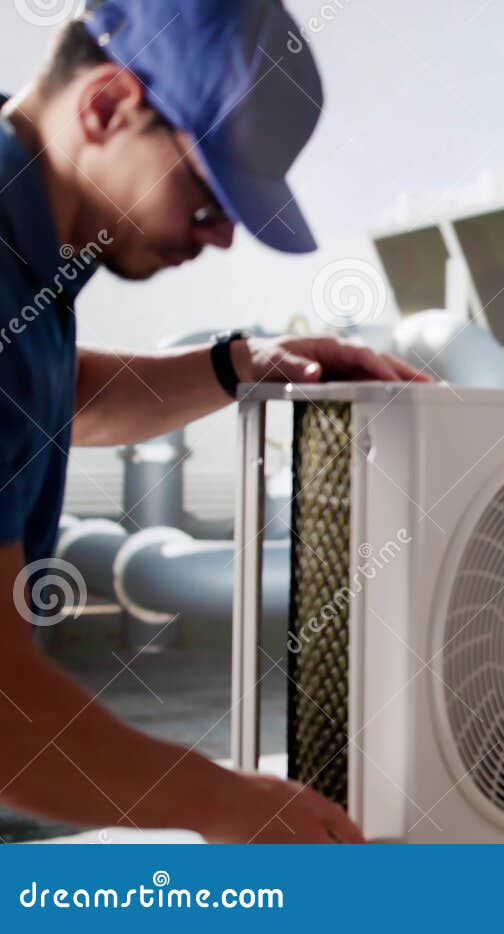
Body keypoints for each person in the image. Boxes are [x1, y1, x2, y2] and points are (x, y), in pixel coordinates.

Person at [0, 0, 426, 843]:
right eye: (205, 192)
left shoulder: (32, 256)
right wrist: (231, 805)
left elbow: (47, 401)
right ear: (107, 107)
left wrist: (238, 365)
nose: (224, 238)